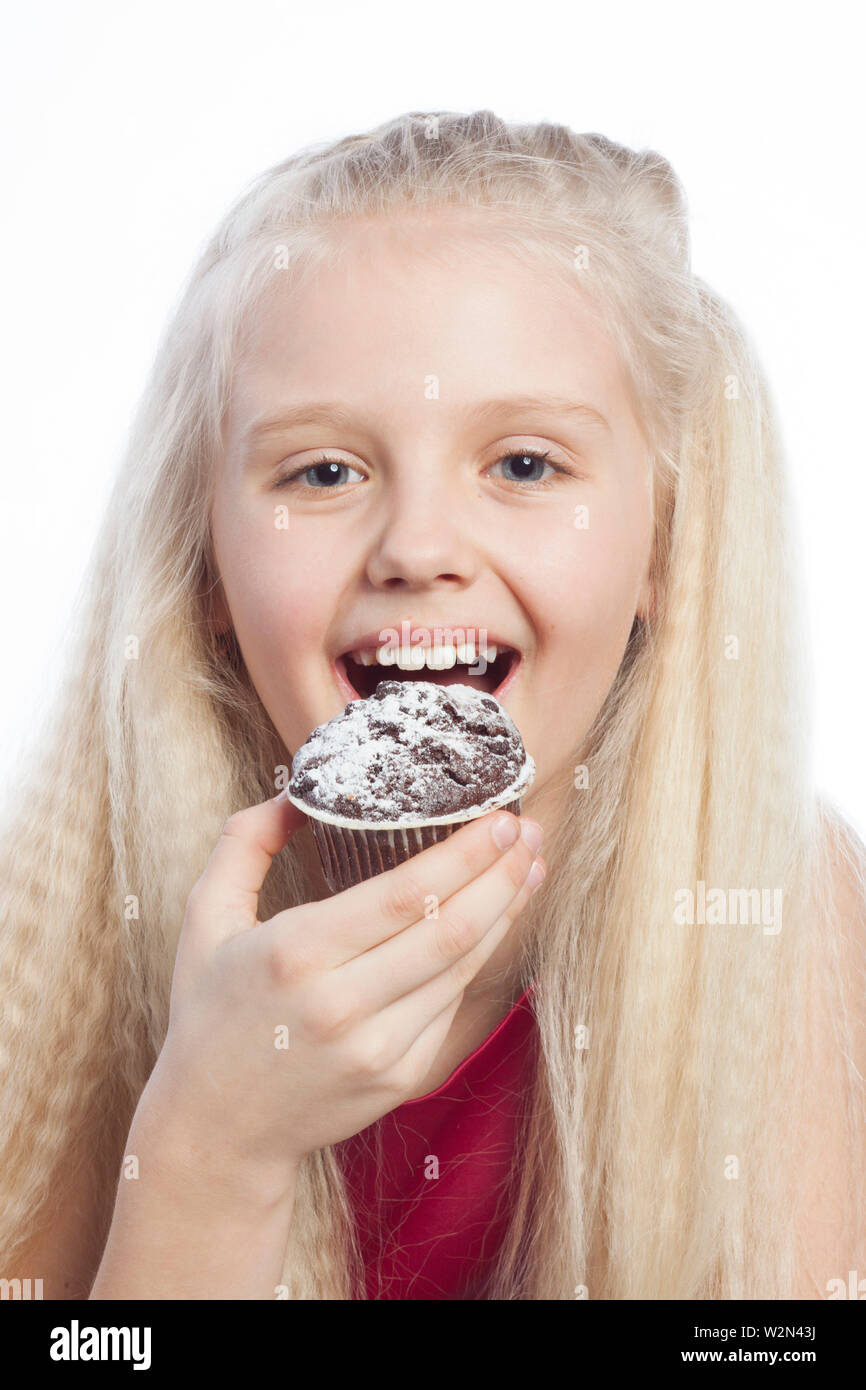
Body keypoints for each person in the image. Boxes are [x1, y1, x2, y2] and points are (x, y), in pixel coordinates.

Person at [1, 110, 863, 1300]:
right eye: (323, 471)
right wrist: (211, 1147)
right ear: (203, 562)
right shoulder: (49, 947)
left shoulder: (776, 912)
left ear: (663, 547)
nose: (415, 546)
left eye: (522, 464)